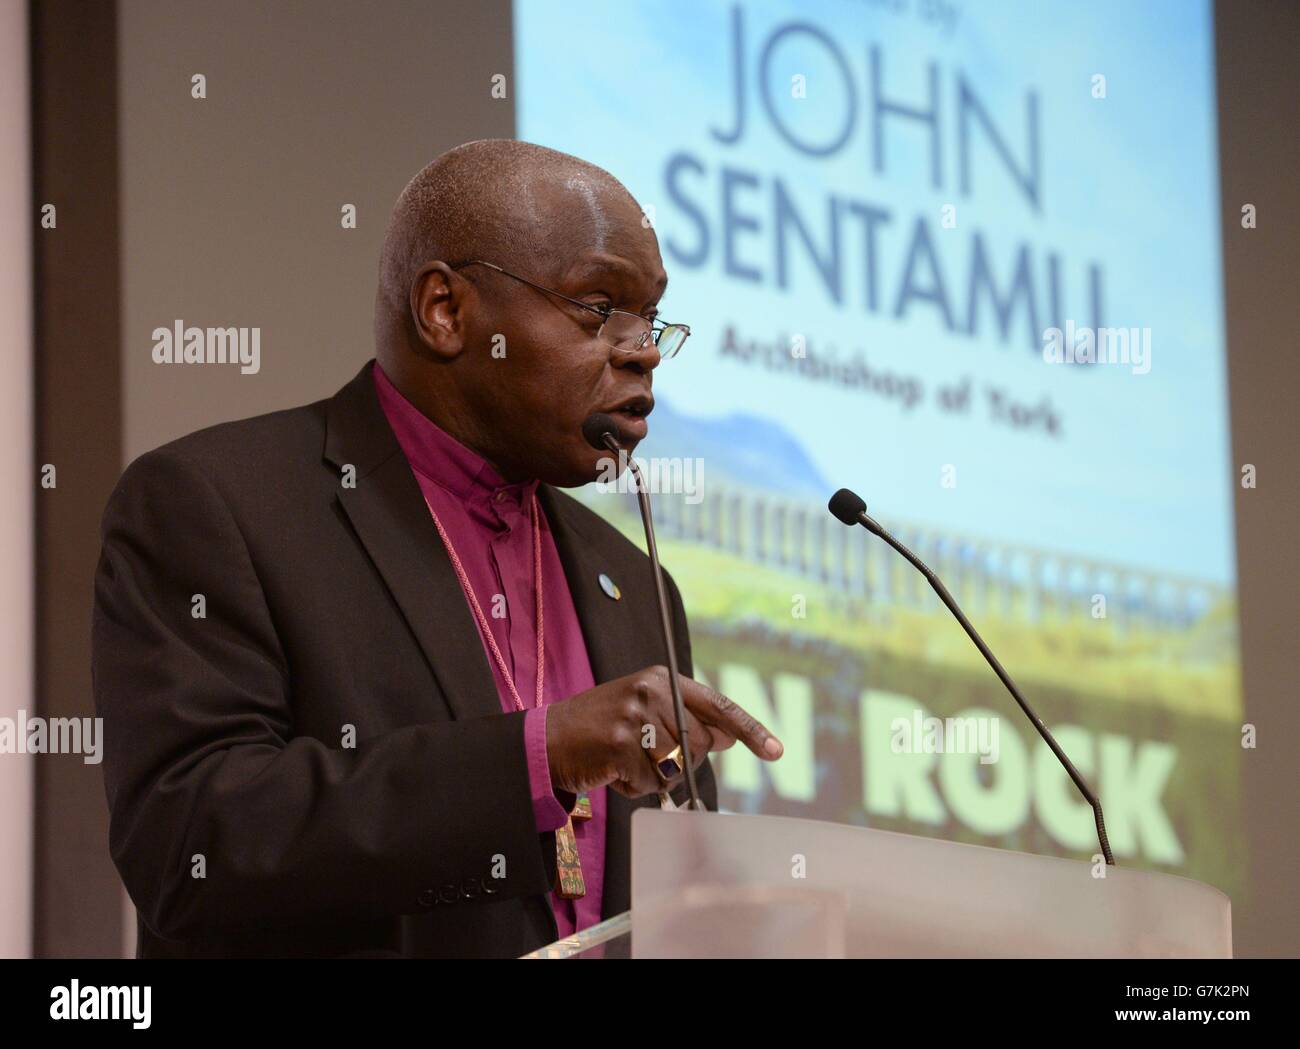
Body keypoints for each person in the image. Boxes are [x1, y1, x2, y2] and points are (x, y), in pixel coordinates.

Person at [91, 139, 783, 959]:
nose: (642, 349)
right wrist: (541, 752)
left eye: (652, 318)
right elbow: (191, 846)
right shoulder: (222, 503)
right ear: (446, 311)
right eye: (599, 308)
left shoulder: (635, 585)